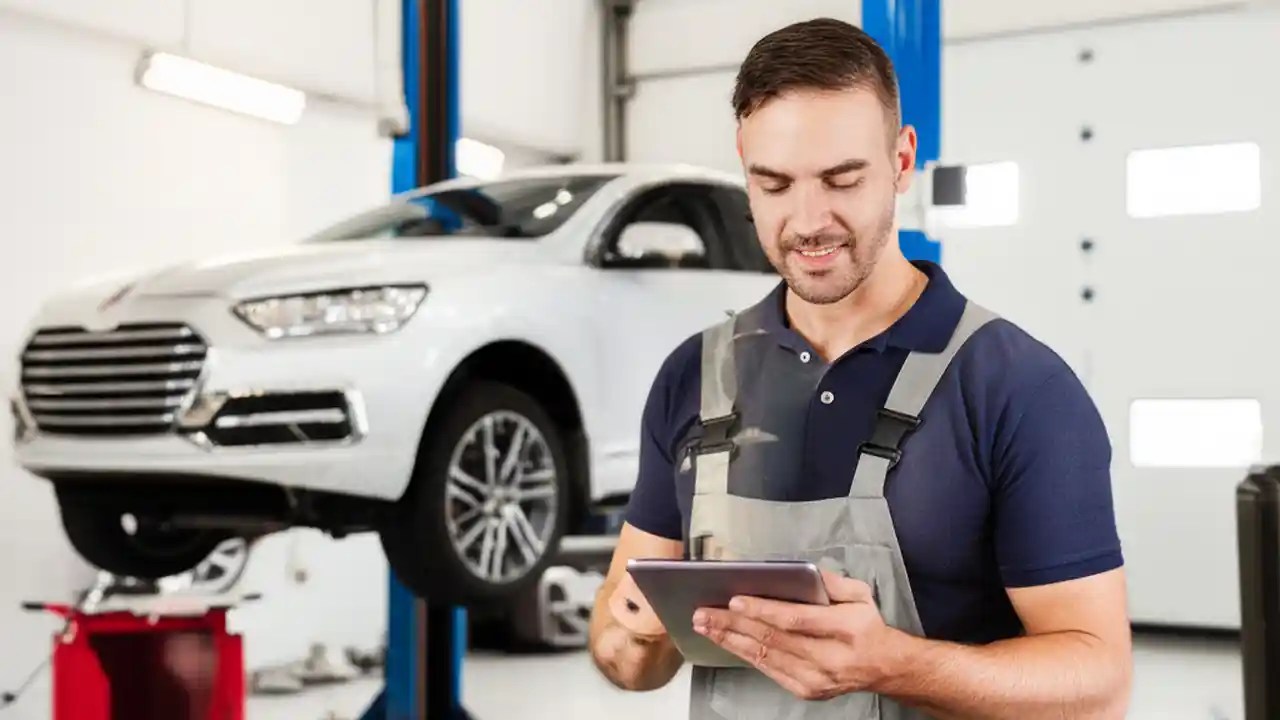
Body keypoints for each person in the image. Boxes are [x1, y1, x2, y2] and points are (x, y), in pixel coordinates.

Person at [586, 16, 1133, 720]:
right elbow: (625, 649)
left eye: (841, 179)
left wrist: (896, 664)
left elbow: (1099, 684)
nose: (808, 219)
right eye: (774, 184)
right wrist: (631, 633)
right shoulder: (693, 376)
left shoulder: (1016, 387)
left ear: (902, 162)